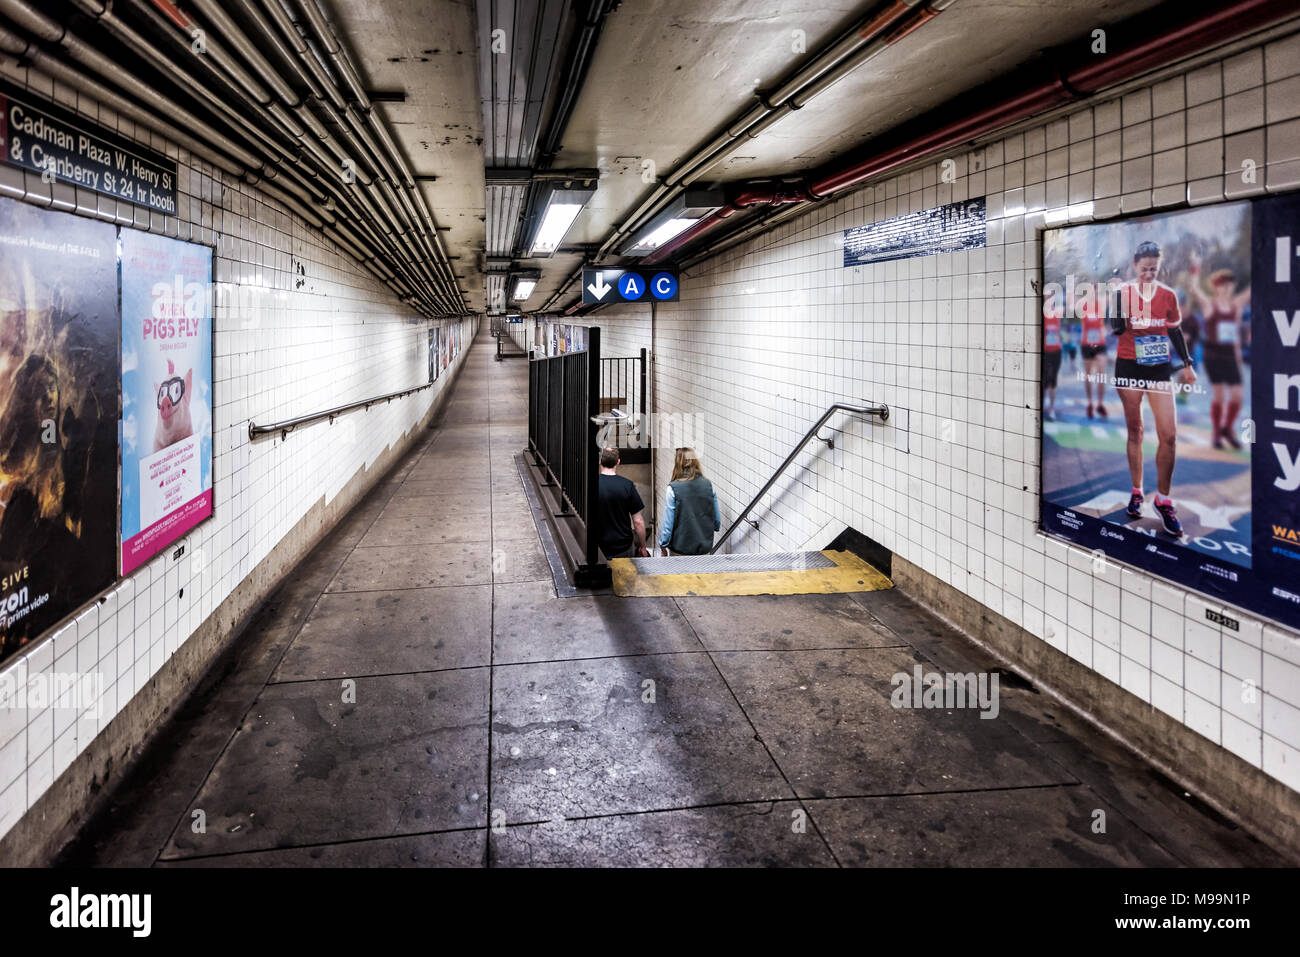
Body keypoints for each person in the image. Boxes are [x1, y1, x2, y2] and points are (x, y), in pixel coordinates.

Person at [1111, 240, 1197, 536]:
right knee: (1136, 431)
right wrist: (1120, 309)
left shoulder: (1168, 295)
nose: (1149, 273)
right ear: (1135, 265)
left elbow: (1174, 330)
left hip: (1159, 368)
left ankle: (1163, 499)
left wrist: (1187, 362)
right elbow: (1117, 328)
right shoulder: (1122, 293)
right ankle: (1137, 492)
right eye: (1144, 268)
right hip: (1129, 366)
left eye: (1154, 269)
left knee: (1169, 435)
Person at [1187, 253, 1251, 450]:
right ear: (1216, 286)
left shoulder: (1236, 306)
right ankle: (1217, 433)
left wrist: (1238, 358)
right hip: (1213, 354)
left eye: (1231, 284)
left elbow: (1252, 291)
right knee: (1219, 396)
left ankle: (1227, 428)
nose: (1228, 287)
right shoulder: (1210, 305)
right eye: (1223, 284)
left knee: (1238, 395)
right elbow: (1195, 289)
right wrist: (1196, 267)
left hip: (1230, 354)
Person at [658, 447, 722, 556]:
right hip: (704, 550)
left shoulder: (673, 488)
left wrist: (663, 544)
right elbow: (717, 522)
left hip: (680, 550)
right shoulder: (709, 486)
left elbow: (668, 524)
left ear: (677, 463)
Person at [595, 446, 646, 559]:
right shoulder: (627, 485)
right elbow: (638, 522)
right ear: (618, 462)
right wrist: (643, 546)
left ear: (600, 462)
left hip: (598, 547)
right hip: (623, 547)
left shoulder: (592, 485)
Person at [1042, 288, 1063, 421]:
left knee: (1053, 381)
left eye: (1051, 297)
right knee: (1044, 382)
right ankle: (1042, 407)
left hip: (1056, 351)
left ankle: (1051, 409)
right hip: (1044, 352)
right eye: (1047, 296)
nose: (1049, 299)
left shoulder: (1057, 313)